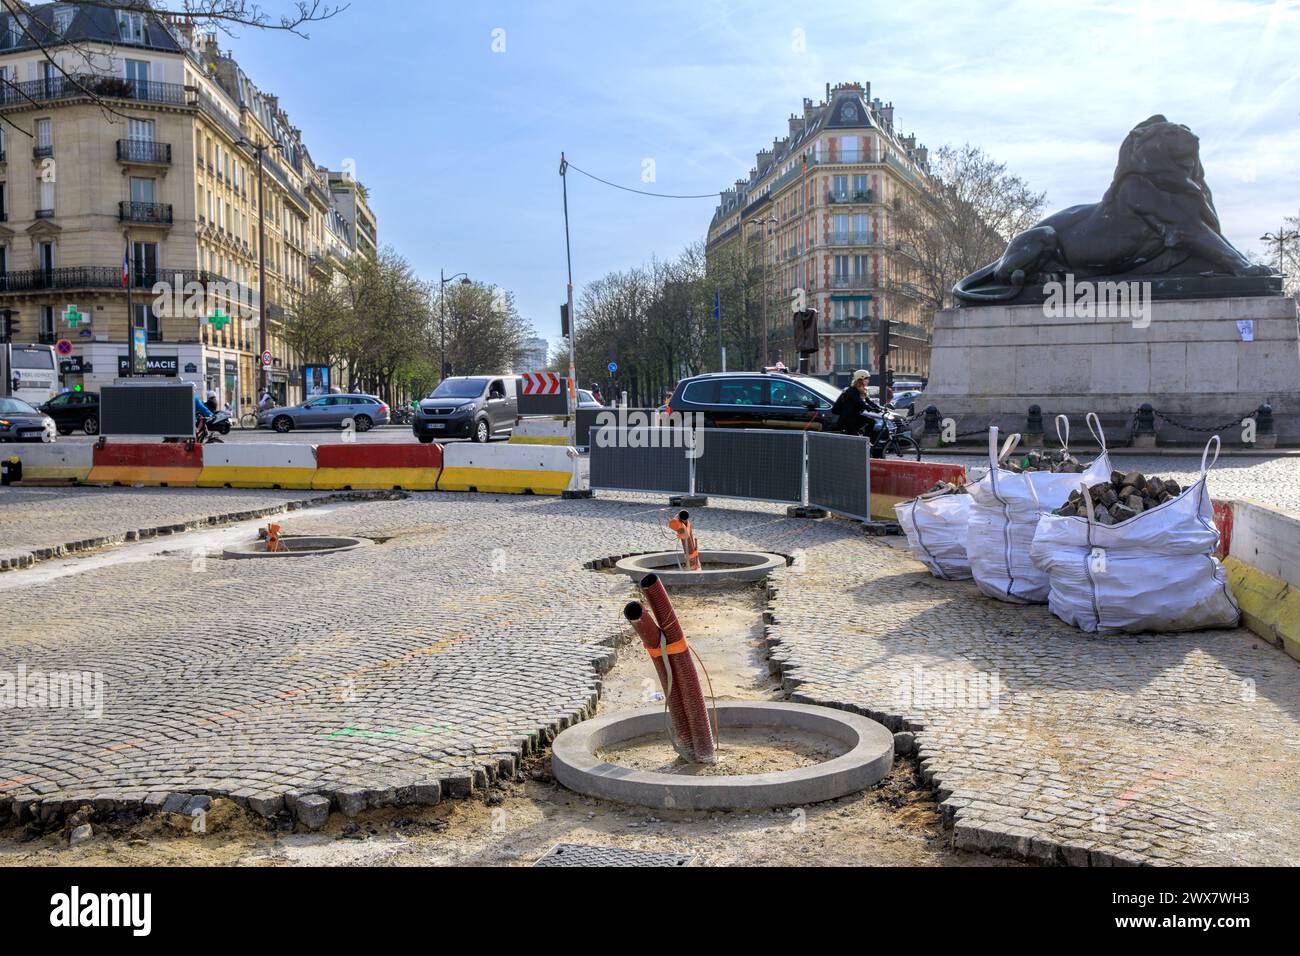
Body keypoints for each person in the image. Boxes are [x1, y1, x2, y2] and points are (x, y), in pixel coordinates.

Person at [832, 370, 883, 440]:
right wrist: (871, 409)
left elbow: (868, 401)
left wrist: (880, 408)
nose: (868, 380)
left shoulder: (861, 390)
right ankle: (866, 442)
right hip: (847, 419)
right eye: (866, 378)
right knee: (856, 436)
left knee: (871, 421)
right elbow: (860, 402)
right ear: (860, 379)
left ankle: (867, 440)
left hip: (854, 416)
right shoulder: (851, 391)